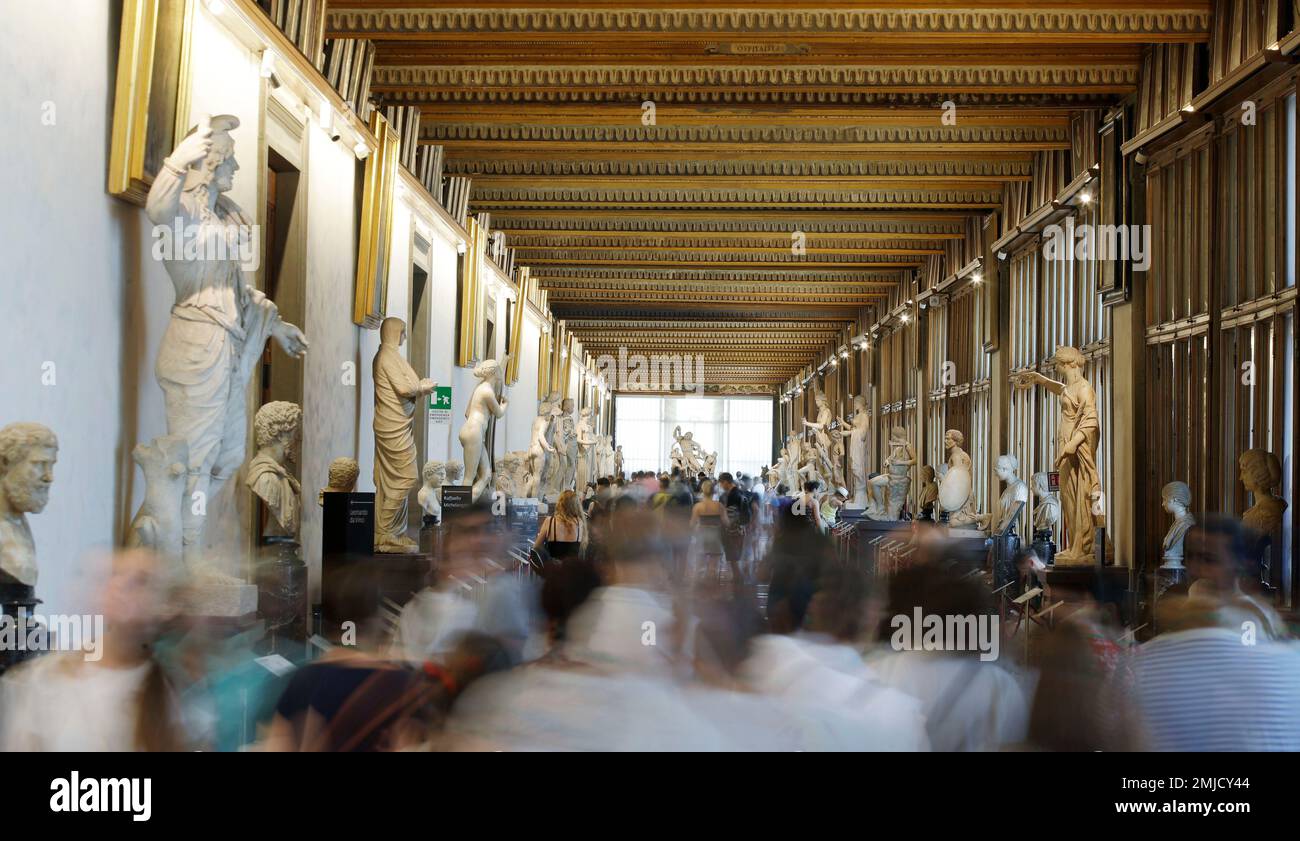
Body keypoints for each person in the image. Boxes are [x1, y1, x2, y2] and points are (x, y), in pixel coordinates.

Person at [0, 549, 188, 751]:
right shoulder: (39, 680)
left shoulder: (176, 695)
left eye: (141, 581)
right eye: (115, 574)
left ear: (167, 607)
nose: (120, 585)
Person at [533, 490, 587, 564]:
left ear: (560, 504)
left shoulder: (550, 521)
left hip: (553, 572)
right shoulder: (580, 523)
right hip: (574, 571)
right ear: (576, 505)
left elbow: (536, 547)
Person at [691, 479, 730, 581]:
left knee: (699, 566)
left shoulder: (698, 506)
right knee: (714, 567)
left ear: (702, 491)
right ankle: (712, 589)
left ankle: (699, 589)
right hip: (716, 537)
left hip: (702, 536)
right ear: (714, 491)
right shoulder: (719, 506)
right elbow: (727, 523)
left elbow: (692, 524)